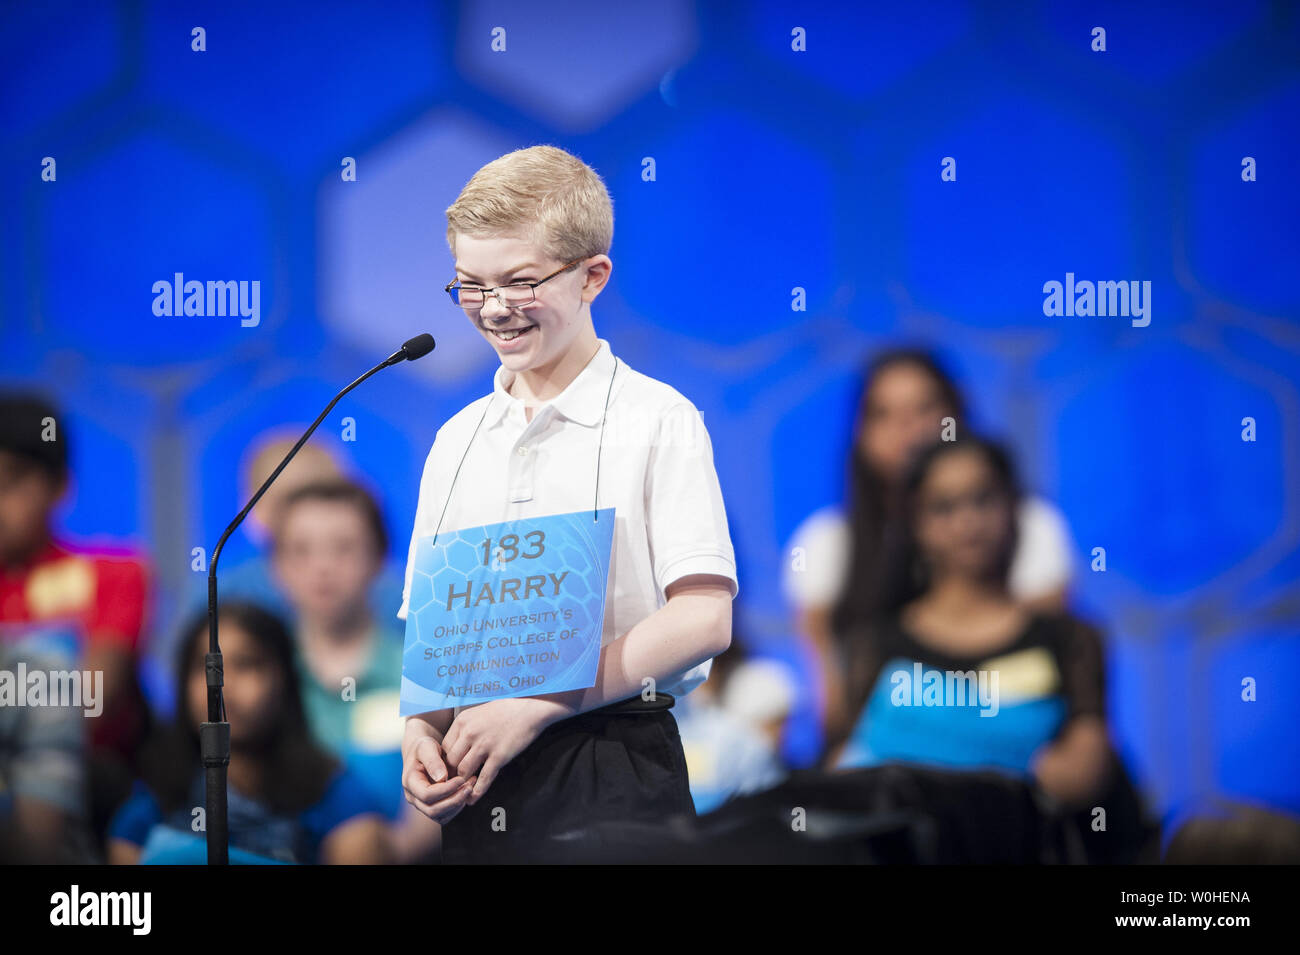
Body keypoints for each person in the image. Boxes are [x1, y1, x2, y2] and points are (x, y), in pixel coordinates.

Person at [399, 144, 738, 863]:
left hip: (612, 760)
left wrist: (536, 706)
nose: (493, 310)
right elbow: (435, 634)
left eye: (520, 282)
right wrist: (419, 734)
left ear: (592, 277)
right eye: (469, 285)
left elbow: (704, 615)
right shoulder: (456, 441)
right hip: (478, 775)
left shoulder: (656, 418)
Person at [828, 436, 1151, 860]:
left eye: (983, 500)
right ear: (917, 525)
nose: (968, 522)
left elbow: (1083, 773)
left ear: (1014, 508)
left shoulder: (1068, 638)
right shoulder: (875, 643)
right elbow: (842, 772)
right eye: (943, 507)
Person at [780, 350, 1076, 754]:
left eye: (923, 407)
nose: (907, 428)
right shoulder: (825, 544)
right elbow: (835, 715)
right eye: (884, 414)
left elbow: (1049, 675)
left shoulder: (1031, 526)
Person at [107, 602, 393, 864]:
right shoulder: (156, 792)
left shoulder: (331, 789)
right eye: (206, 668)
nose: (222, 687)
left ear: (283, 679)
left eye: (246, 664)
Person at [0, 392, 151, 841]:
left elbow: (92, 703)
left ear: (60, 486)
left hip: (87, 786)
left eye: (10, 481)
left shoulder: (112, 575)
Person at [269, 478, 440, 862]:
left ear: (379, 557)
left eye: (344, 547)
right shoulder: (258, 679)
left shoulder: (423, 671)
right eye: (301, 550)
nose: (323, 566)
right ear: (276, 565)